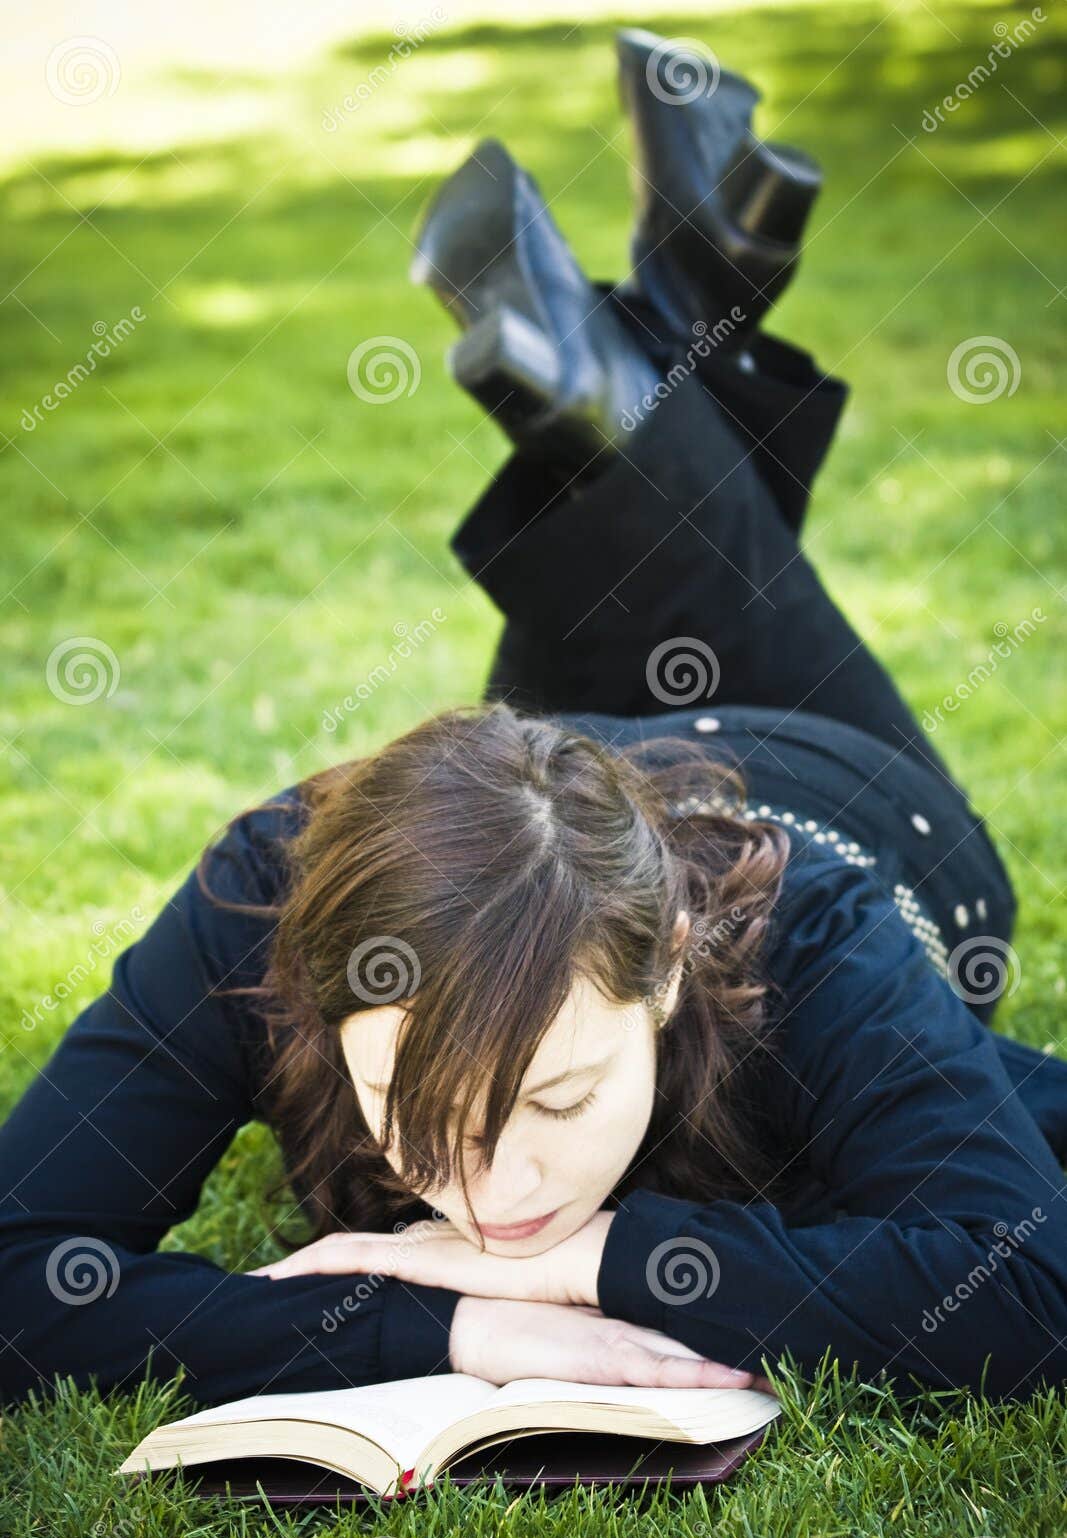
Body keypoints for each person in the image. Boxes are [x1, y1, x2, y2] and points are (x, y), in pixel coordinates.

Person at [1, 32, 1064, 1412]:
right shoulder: (263, 893)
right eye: (421, 1118)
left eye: (557, 1099)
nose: (494, 1199)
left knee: (627, 609)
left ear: (670, 968)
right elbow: (20, 1270)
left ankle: (665, 333)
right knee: (588, 661)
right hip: (561, 768)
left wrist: (610, 1262)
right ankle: (680, 314)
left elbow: (1024, 1288)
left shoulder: (821, 940)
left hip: (832, 787)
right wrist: (436, 1332)